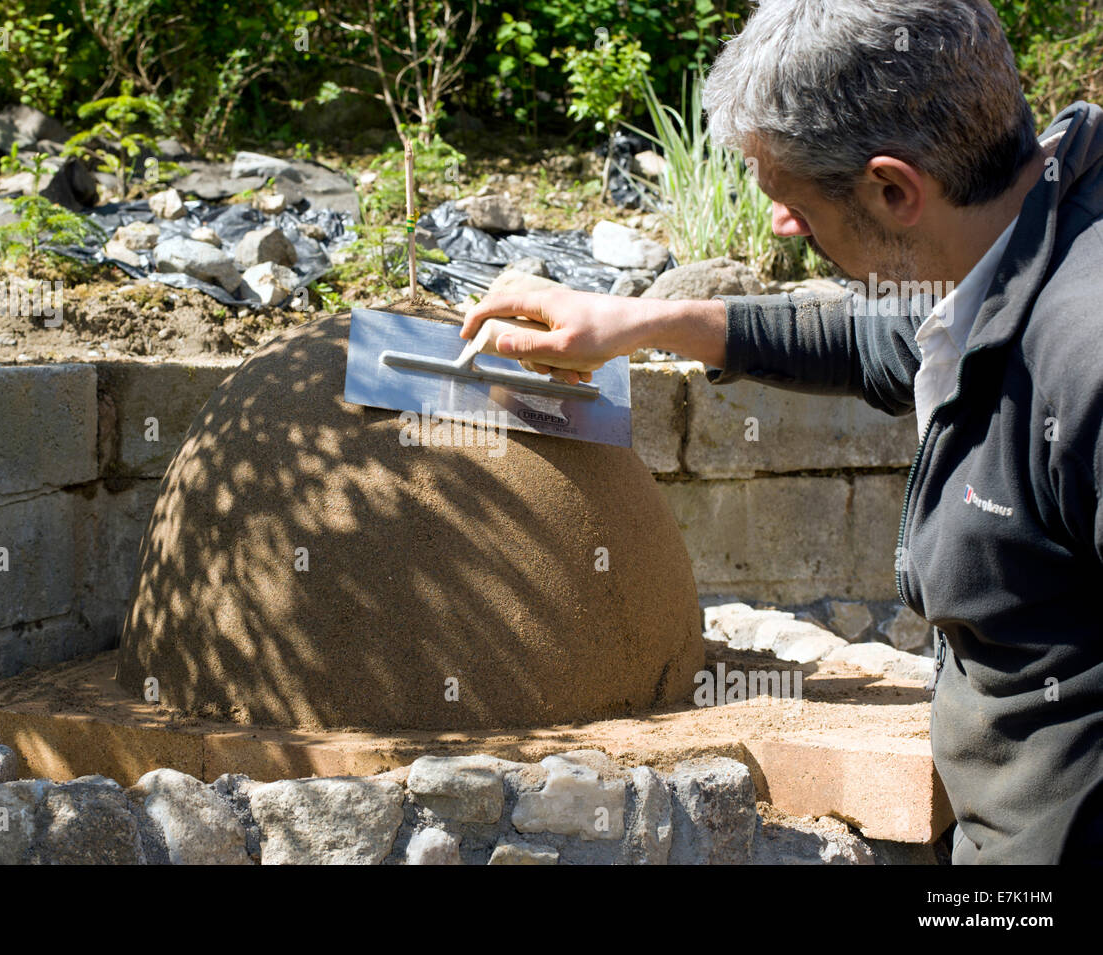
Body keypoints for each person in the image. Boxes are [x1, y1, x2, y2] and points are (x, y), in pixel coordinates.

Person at [462, 0, 1103, 864]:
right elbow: (869, 337)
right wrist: (632, 323)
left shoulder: (1084, 357)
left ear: (893, 189)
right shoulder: (1016, 236)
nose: (780, 227)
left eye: (794, 201)